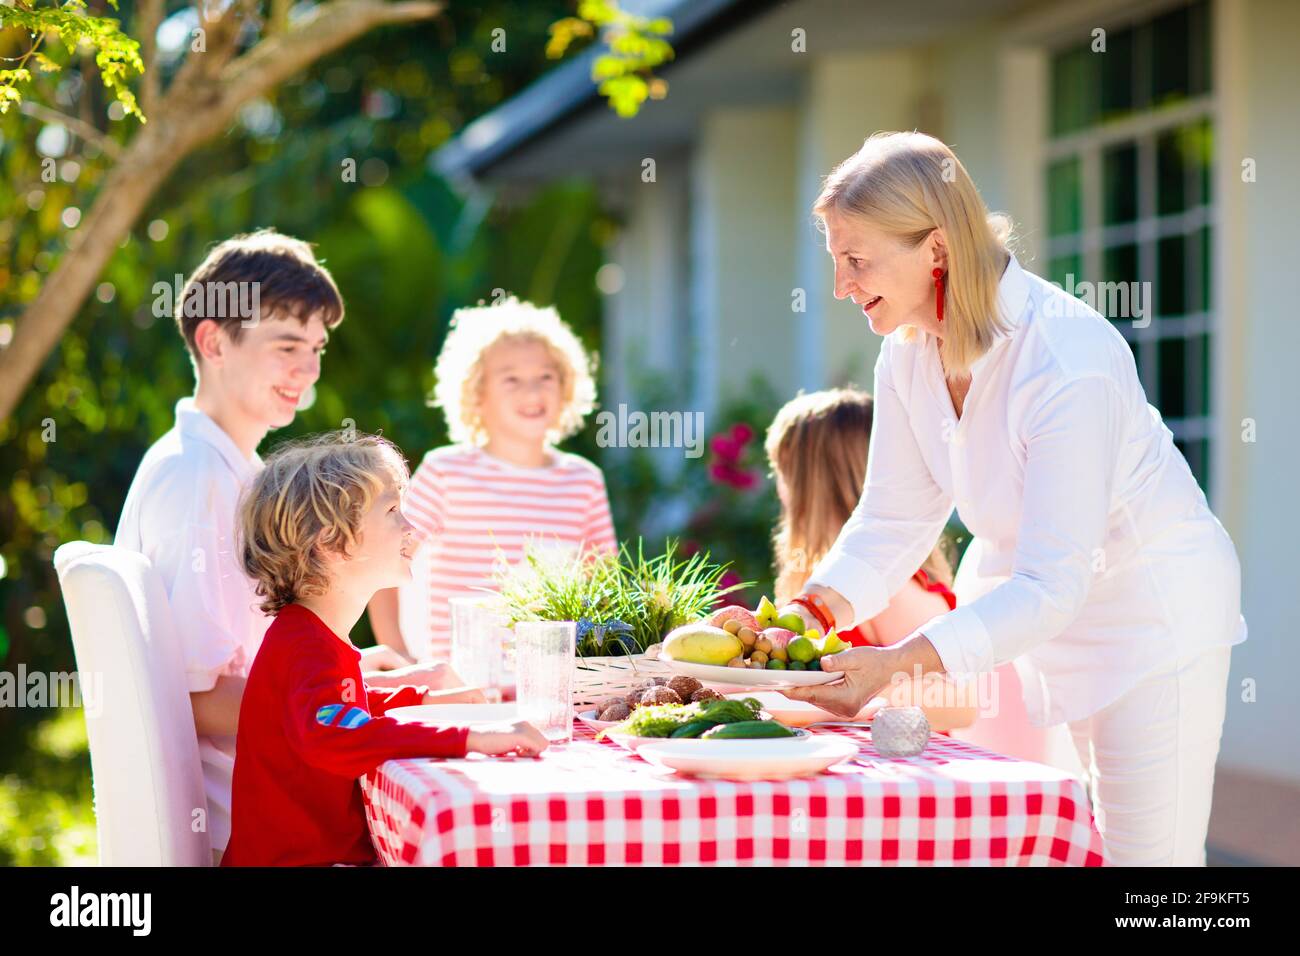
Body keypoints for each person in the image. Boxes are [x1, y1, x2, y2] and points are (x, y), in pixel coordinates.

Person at [779, 131, 1245, 866]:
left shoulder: (1066, 361)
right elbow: (895, 517)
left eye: (856, 259)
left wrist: (896, 664)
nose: (839, 283)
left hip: (1151, 626)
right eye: (836, 259)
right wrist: (803, 615)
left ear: (934, 249)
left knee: (1149, 872)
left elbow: (1055, 581)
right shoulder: (906, 349)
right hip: (1033, 628)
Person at [115, 230, 474, 862]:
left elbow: (271, 673)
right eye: (286, 346)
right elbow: (193, 700)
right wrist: (369, 712)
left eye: (316, 348)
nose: (308, 370)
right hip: (253, 825)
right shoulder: (196, 481)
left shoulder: (227, 468)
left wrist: (368, 682)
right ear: (213, 341)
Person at [222, 433, 547, 866]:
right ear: (333, 544)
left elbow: (341, 707)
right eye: (393, 511)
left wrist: (423, 699)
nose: (411, 528)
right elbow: (334, 733)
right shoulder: (304, 645)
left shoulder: (311, 634)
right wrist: (473, 737)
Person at [368, 297, 616, 663]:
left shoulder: (584, 481)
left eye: (545, 377)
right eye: (511, 379)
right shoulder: (445, 473)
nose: (531, 392)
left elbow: (604, 590)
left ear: (566, 386)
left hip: (553, 684)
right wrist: (398, 654)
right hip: (458, 685)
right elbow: (384, 564)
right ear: (477, 392)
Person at [765, 388, 975, 733]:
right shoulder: (835, 583)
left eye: (781, 471)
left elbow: (960, 702)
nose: (778, 489)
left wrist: (827, 705)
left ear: (811, 484)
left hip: (908, 776)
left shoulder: (890, 587)